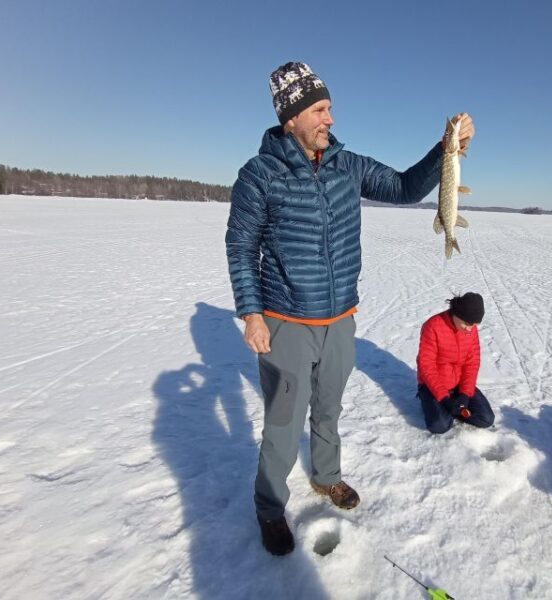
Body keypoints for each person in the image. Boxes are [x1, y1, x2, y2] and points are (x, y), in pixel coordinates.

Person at [225, 61, 475, 556]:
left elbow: (404, 187)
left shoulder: (348, 165)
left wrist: (444, 151)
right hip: (286, 321)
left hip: (340, 319)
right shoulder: (259, 174)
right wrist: (252, 312)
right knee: (282, 422)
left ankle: (326, 477)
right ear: (290, 116)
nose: (330, 119)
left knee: (330, 409)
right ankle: (270, 508)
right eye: (319, 109)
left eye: (330, 108)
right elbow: (240, 245)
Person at [416, 292, 495, 434]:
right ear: (456, 314)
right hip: (433, 386)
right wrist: (444, 399)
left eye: (474, 325)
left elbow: (472, 362)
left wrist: (465, 393)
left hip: (459, 384)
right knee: (440, 426)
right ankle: (435, 404)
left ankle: (455, 408)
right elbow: (426, 365)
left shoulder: (471, 329)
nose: (469, 329)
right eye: (466, 323)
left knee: (486, 418)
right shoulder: (432, 326)